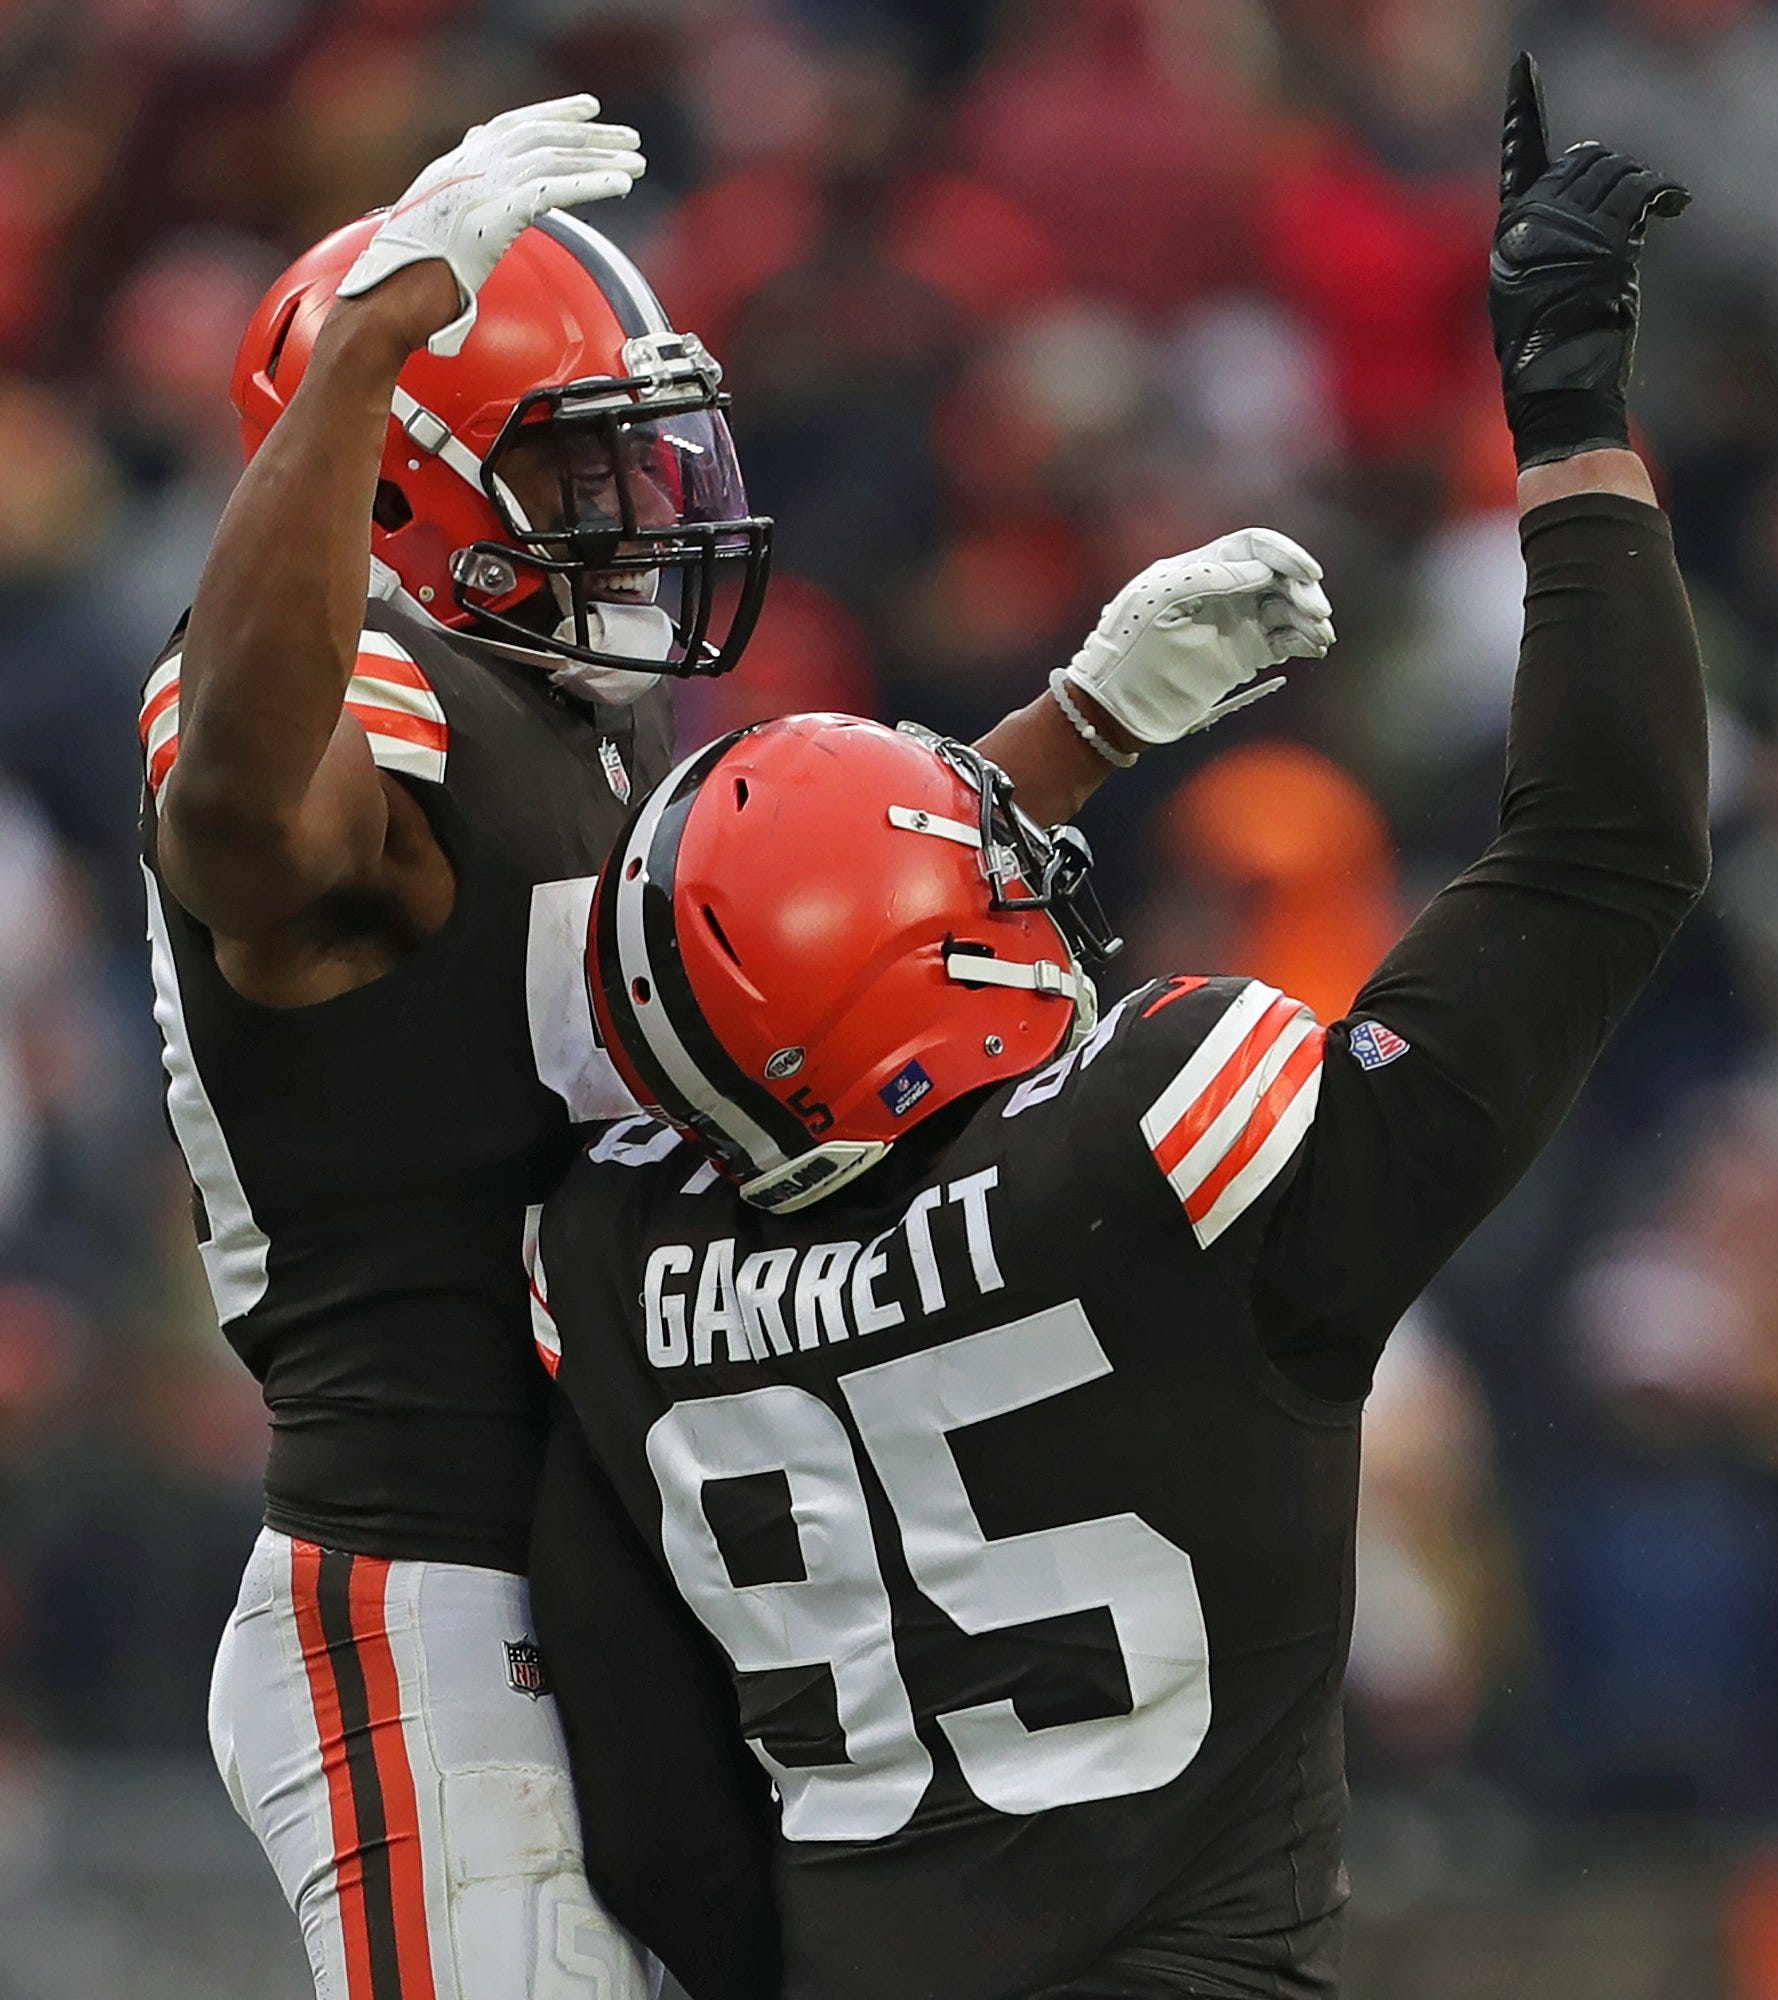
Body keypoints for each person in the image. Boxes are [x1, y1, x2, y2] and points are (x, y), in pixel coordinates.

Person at [527, 57, 1710, 1999]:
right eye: (995, 874)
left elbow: (658, 1823)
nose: (1037, 885)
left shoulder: (618, 1261)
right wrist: (1569, 416)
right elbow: (1603, 848)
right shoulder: (1168, 1144)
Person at [140, 95, 1336, 2000]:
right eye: (582, 474)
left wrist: (1080, 728)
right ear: (392, 489)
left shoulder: (566, 729)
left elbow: (784, 968)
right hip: (430, 1582)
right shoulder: (334, 684)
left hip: (642, 1580)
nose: (653, 510)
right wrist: (363, 353)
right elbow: (246, 831)